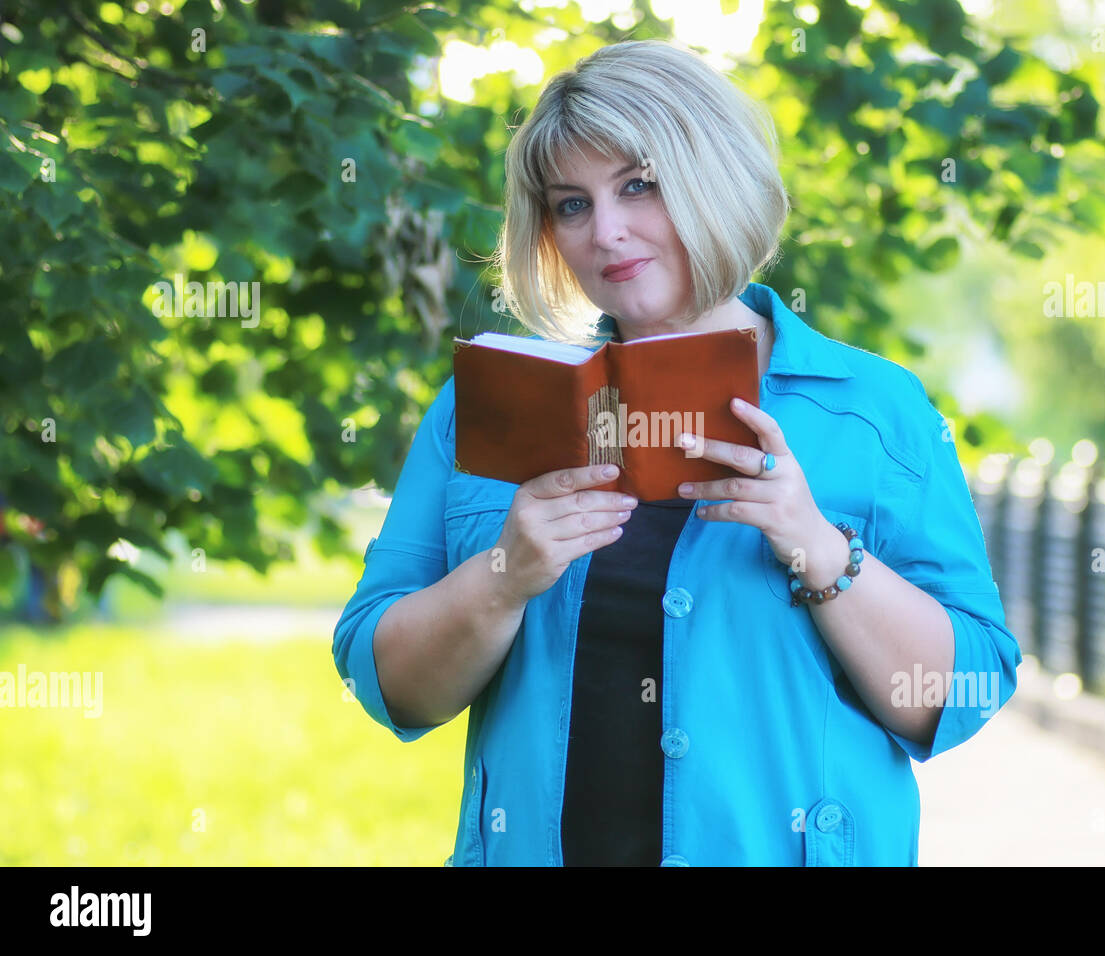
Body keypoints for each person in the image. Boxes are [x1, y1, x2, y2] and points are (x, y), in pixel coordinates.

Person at [332, 39, 1021, 866]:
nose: (606, 233)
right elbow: (385, 682)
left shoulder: (875, 411)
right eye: (571, 205)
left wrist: (819, 548)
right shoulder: (488, 406)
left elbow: (966, 691)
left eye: (639, 186)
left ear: (713, 180)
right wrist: (502, 580)